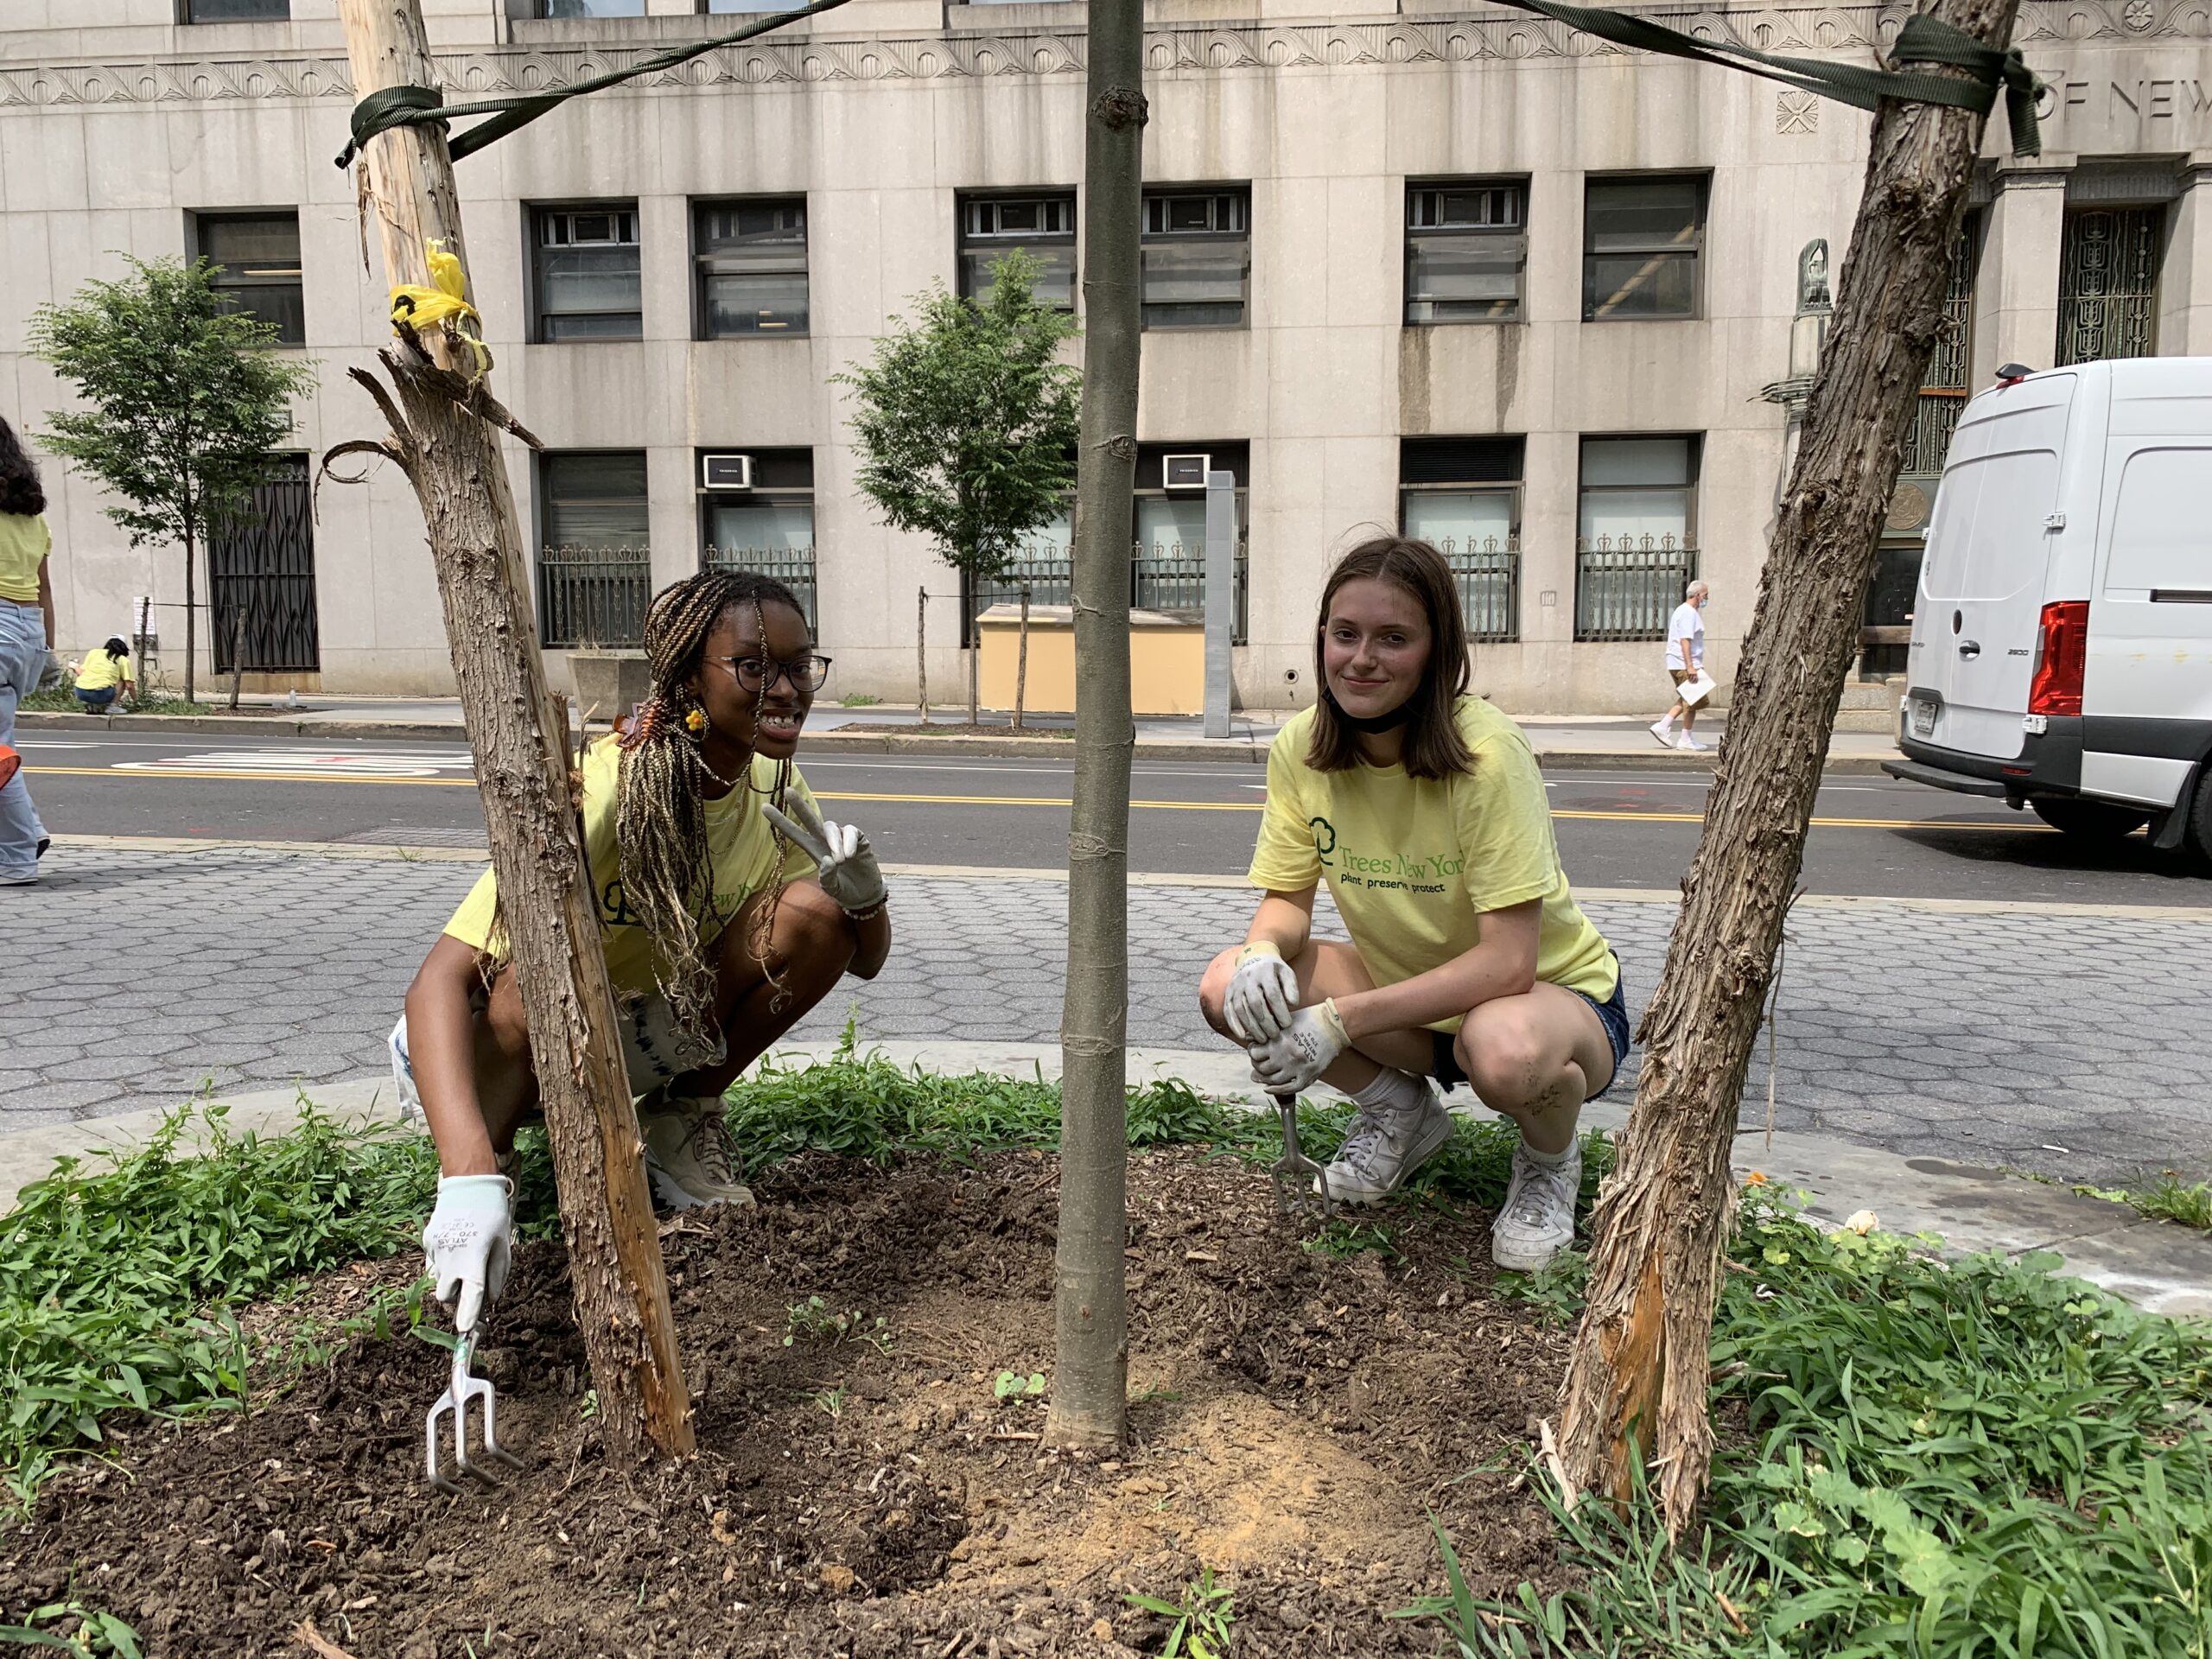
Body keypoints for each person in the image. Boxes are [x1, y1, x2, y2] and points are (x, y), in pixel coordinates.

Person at [395, 569, 892, 1332]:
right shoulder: (610, 787)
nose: (787, 690)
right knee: (532, 979)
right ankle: (490, 1156)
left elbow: (857, 957)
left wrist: (866, 900)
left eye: (800, 666)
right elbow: (438, 981)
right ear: (690, 674)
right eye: (754, 667)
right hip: (511, 1032)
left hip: (639, 1024)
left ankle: (680, 1117)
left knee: (818, 912)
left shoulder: (775, 788)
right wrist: (465, 1176)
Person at [1198, 535, 1630, 1273]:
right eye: (1345, 634)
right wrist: (1265, 952)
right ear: (1323, 639)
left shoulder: (1488, 756)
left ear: (1438, 651)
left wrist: (1334, 1024)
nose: (1361, 658)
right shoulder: (1301, 748)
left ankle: (1548, 1163)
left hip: (1548, 1002)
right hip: (1416, 1006)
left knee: (1504, 1051)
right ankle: (1402, 1112)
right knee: (1226, 987)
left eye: (1393, 638)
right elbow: (1286, 904)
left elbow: (1508, 961)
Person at [0, 416, 53, 887]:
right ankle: (29, 832)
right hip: (27, 631)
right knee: (2, 746)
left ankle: (18, 855)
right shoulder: (32, 517)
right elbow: (44, 590)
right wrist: (48, 653)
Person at [1650, 580, 1711, 752]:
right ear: (1698, 595)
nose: (1707, 598)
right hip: (1685, 663)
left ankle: (1664, 726)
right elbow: (1685, 640)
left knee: (1688, 697)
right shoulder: (1688, 613)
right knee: (1692, 700)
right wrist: (1690, 666)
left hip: (1679, 662)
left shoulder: (1684, 611)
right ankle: (1685, 738)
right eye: (1706, 595)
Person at [71, 638, 133, 711]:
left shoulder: (93, 652)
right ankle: (113, 707)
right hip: (102, 694)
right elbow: (129, 686)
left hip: (80, 692)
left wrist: (75, 666)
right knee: (122, 680)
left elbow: (81, 673)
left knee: (90, 678)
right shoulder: (123, 659)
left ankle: (92, 704)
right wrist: (136, 701)